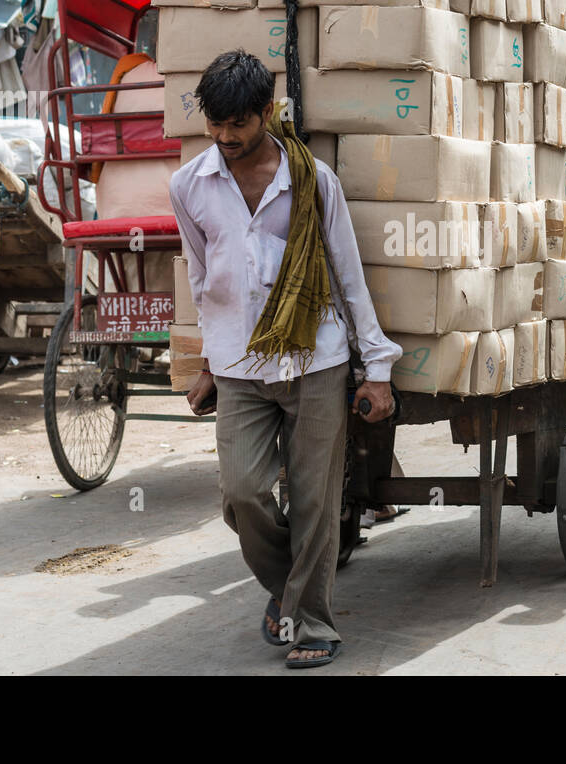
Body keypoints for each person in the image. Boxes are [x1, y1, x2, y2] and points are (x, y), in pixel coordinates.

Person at [170, 50, 401, 670]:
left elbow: (348, 276)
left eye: (238, 126)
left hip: (316, 361)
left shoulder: (312, 181)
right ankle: (287, 591)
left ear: (265, 114)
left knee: (315, 500)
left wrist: (376, 369)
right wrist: (208, 362)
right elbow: (203, 278)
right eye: (216, 127)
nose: (226, 139)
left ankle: (314, 623)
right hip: (240, 367)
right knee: (241, 495)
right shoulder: (189, 185)